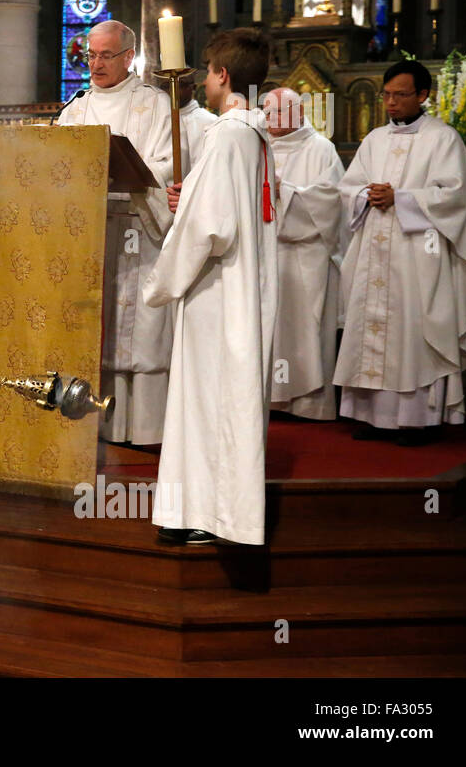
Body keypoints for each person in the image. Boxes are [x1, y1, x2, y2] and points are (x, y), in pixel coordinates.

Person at [143, 27, 278, 546]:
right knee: (223, 401)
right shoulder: (256, 134)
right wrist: (191, 200)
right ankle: (202, 511)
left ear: (223, 76)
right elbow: (232, 210)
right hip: (242, 291)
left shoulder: (225, 135)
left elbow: (210, 229)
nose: (202, 80)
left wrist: (162, 284)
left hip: (217, 296)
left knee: (207, 402)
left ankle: (207, 516)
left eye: (207, 70)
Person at [334, 60, 466, 446]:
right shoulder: (374, 139)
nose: (391, 103)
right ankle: (371, 415)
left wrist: (401, 198)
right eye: (386, 95)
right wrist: (365, 195)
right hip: (374, 249)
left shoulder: (442, 138)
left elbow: (455, 197)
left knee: (413, 331)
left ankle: (417, 419)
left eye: (400, 95)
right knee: (370, 326)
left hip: (418, 252)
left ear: (422, 95)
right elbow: (348, 187)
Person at [56, 19, 184, 447]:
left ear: (129, 57)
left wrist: (133, 176)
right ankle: (95, 422)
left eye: (105, 55)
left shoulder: (155, 104)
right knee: (96, 327)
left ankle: (144, 429)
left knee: (142, 329)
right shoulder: (74, 109)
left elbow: (168, 165)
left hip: (138, 230)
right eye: (89, 55)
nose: (95, 63)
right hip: (89, 235)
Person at [263, 87, 346, 420]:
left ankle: (310, 405)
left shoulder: (321, 149)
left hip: (306, 256)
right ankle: (269, 400)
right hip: (266, 254)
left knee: (304, 332)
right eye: (267, 112)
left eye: (279, 112)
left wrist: (286, 192)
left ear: (299, 113)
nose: (271, 120)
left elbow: (332, 202)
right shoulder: (257, 147)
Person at [174, 71, 218, 166]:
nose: (173, 89)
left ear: (193, 87)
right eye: (166, 86)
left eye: (180, 84)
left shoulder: (210, 121)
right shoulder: (160, 119)